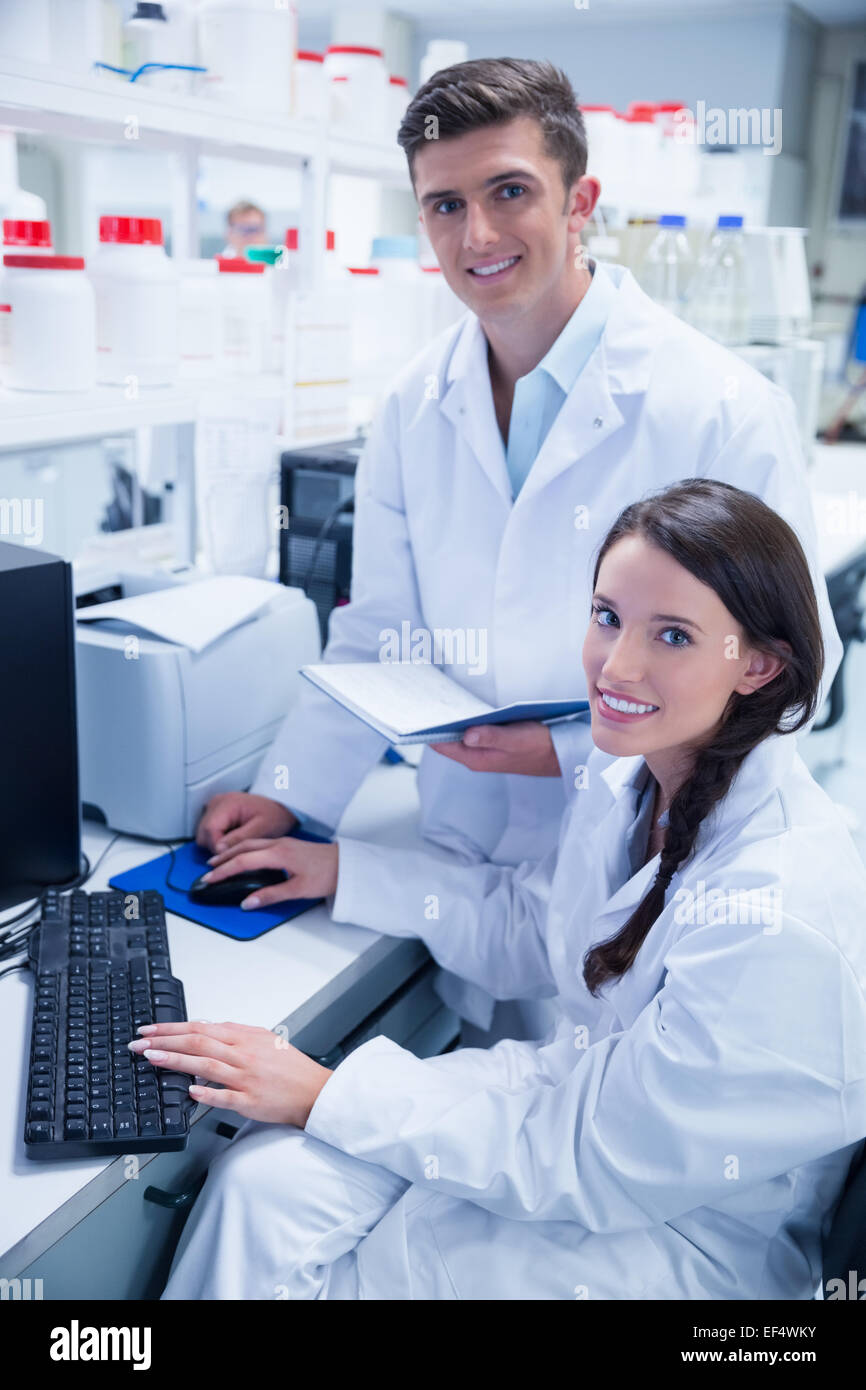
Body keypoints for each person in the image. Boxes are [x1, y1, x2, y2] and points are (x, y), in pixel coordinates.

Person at [197, 58, 842, 1046]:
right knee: (462, 1114)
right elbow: (376, 630)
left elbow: (793, 667)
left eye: (509, 192)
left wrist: (576, 755)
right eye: (444, 205)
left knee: (569, 1138)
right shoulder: (415, 403)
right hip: (455, 853)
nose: (478, 235)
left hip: (637, 875)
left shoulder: (715, 406)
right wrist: (290, 798)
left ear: (579, 199)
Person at [154, 480, 866, 1301]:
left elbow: (601, 1161)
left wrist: (330, 1093)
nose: (617, 664)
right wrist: (345, 872)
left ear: (761, 665)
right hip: (573, 1120)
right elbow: (553, 934)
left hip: (683, 1237)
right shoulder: (635, 778)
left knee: (375, 1264)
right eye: (607, 617)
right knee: (263, 1183)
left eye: (673, 635)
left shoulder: (778, 909)